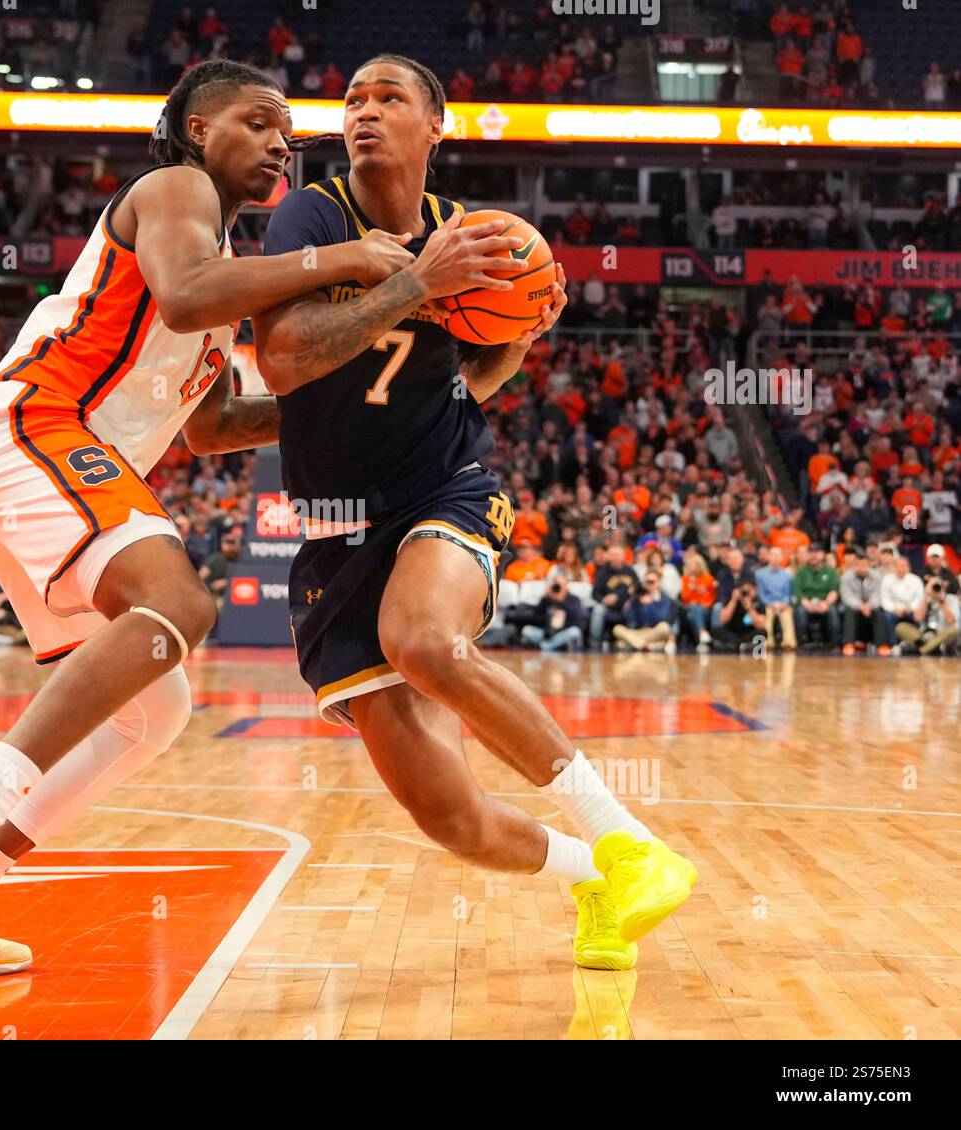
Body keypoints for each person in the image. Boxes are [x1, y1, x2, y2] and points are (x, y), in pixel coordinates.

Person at [0, 60, 415, 978]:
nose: (283, 141)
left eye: (287, 128)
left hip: (46, 457)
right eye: (258, 120)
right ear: (199, 131)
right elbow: (187, 292)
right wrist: (349, 256)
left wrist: (348, 405)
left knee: (156, 709)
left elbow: (214, 429)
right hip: (32, 425)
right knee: (181, 605)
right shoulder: (174, 190)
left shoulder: (224, 277)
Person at [254, 54, 696, 973]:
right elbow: (285, 359)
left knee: (425, 639)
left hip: (445, 484)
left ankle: (626, 841)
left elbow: (464, 384)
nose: (364, 112)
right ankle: (594, 879)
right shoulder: (310, 215)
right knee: (446, 816)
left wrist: (522, 335)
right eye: (352, 100)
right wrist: (418, 281)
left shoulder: (475, 233)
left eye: (390, 98)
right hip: (338, 531)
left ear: (437, 124)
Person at [589, 542, 639, 649]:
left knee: (633, 606)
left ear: (623, 556)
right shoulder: (602, 572)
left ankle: (632, 641)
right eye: (612, 555)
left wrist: (625, 598)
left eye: (617, 555)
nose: (615, 557)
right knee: (598, 609)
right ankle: (595, 643)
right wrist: (603, 600)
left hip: (626, 607)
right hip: (609, 608)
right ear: (608, 556)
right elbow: (594, 593)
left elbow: (638, 589)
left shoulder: (630, 571)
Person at [613, 571, 676, 653]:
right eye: (646, 582)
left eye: (651, 582)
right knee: (617, 629)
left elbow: (661, 618)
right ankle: (650, 646)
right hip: (638, 631)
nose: (648, 585)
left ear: (658, 583)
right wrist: (631, 600)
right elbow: (630, 622)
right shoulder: (637, 596)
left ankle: (633, 644)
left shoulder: (665, 599)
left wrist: (651, 604)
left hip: (653, 631)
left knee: (665, 627)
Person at [896, 574, 959, 655]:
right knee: (900, 627)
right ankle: (932, 647)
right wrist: (926, 595)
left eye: (939, 586)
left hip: (942, 634)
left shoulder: (951, 599)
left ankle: (920, 649)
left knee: (955, 630)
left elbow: (952, 620)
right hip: (924, 635)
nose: (936, 589)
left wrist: (942, 602)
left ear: (944, 587)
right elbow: (918, 618)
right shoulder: (925, 599)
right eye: (933, 586)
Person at [840, 550, 888, 655]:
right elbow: (847, 597)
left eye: (864, 564)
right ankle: (848, 643)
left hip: (871, 607)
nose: (862, 567)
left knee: (878, 612)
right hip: (855, 607)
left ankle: (882, 644)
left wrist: (869, 605)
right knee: (850, 611)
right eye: (858, 565)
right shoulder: (846, 577)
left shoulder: (877, 576)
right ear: (854, 565)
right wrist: (861, 606)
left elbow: (878, 595)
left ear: (869, 565)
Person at [518, 578, 586, 652]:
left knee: (575, 632)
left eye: (561, 585)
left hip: (563, 633)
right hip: (547, 633)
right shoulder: (547, 599)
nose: (558, 588)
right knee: (526, 630)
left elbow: (576, 618)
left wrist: (561, 601)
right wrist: (546, 596)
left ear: (566, 586)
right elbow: (536, 615)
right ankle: (551, 646)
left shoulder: (574, 599)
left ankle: (545, 646)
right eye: (556, 584)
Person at [792, 545, 841, 647]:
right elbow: (798, 592)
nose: (814, 555)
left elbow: (834, 591)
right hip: (806, 603)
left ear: (823, 555)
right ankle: (801, 644)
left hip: (825, 602)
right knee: (800, 611)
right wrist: (807, 604)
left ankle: (834, 645)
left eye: (817, 552)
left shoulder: (830, 571)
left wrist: (826, 603)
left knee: (833, 612)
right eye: (811, 552)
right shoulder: (801, 572)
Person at [755, 545, 797, 651]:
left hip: (783, 604)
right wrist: (770, 603)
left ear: (782, 558)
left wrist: (783, 603)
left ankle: (789, 643)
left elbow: (788, 593)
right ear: (768, 557)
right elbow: (760, 593)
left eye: (778, 555)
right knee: (767, 613)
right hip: (767, 604)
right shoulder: (760, 574)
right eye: (773, 555)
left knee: (787, 613)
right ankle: (767, 642)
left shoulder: (787, 575)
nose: (776, 558)